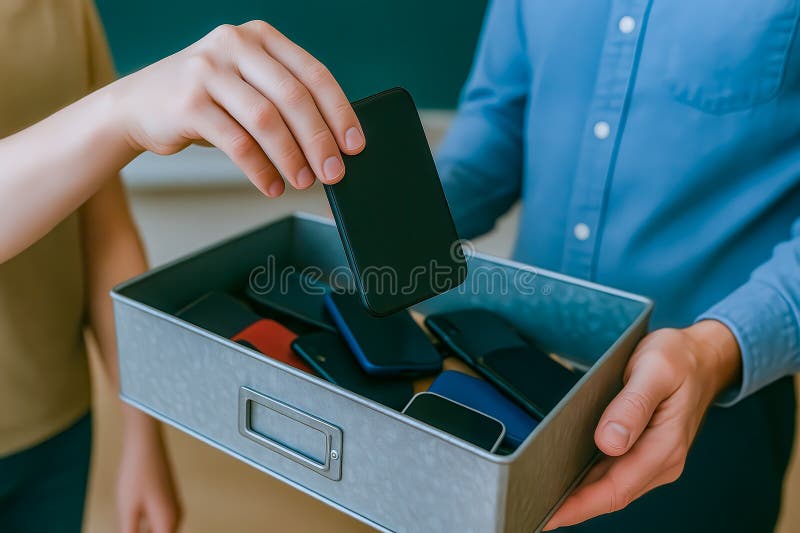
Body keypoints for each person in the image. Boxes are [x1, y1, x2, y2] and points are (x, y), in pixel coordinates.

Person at [435, 1, 800, 532]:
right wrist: (389, 217)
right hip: (511, 378)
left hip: (711, 418)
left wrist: (712, 350)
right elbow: (498, 125)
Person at [0, 2, 363, 532]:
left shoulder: (66, 9)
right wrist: (119, 110)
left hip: (59, 421)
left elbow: (105, 234)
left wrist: (143, 432)